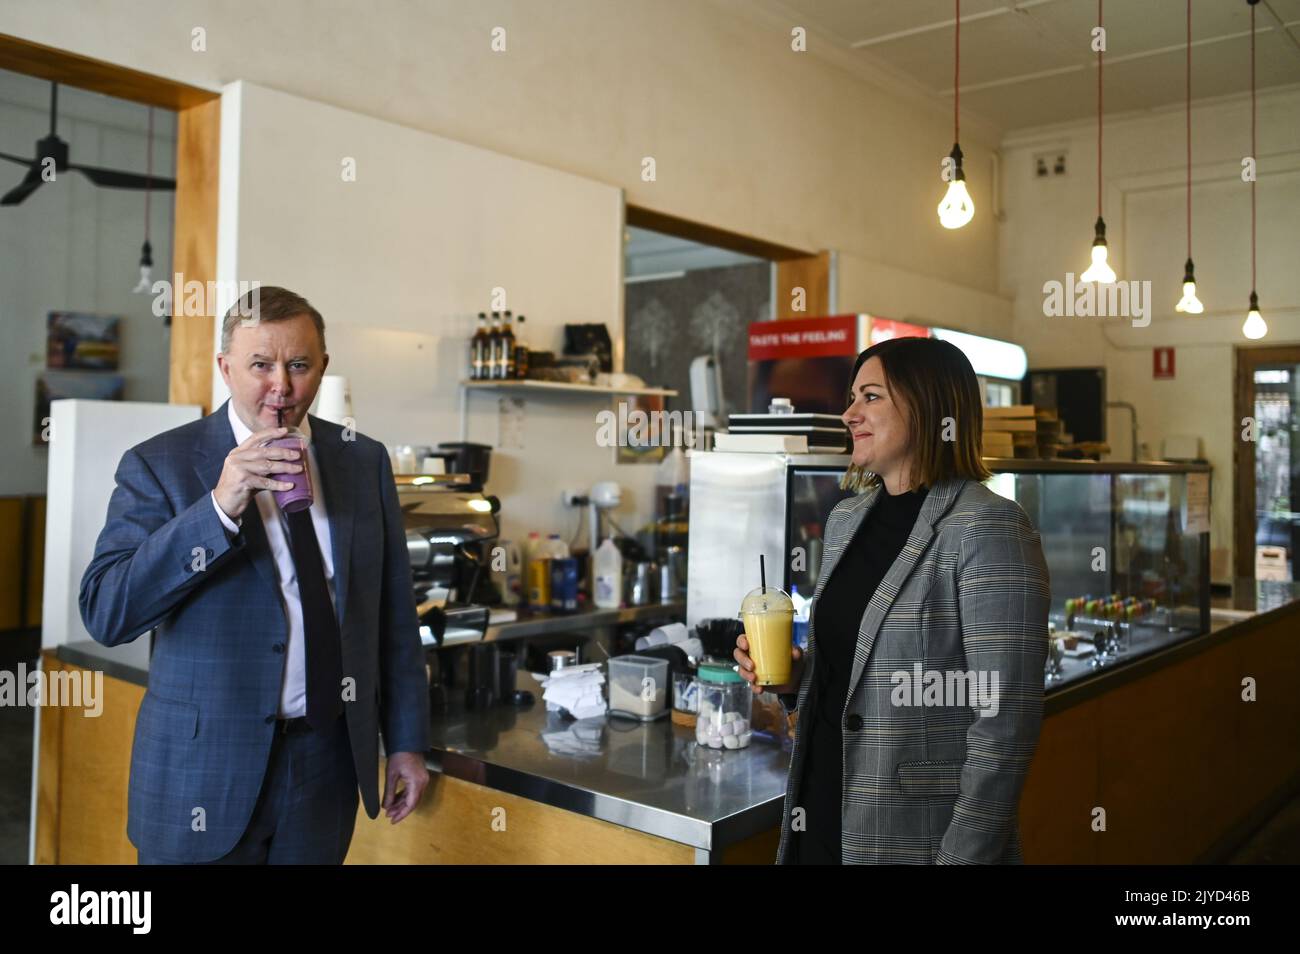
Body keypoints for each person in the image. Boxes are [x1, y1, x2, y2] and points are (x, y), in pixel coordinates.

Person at [80, 286, 430, 864]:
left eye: (298, 365)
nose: (281, 387)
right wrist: (218, 505)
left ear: (323, 366)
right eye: (260, 365)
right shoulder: (159, 463)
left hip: (325, 764)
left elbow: (392, 612)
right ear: (224, 368)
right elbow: (107, 612)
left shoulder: (362, 459)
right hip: (203, 770)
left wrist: (407, 743)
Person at [734, 336, 1049, 864]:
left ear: (928, 407)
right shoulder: (846, 520)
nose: (850, 413)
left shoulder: (987, 525)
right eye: (853, 397)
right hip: (822, 806)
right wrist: (794, 681)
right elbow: (853, 676)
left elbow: (1006, 726)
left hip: (919, 836)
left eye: (871, 397)